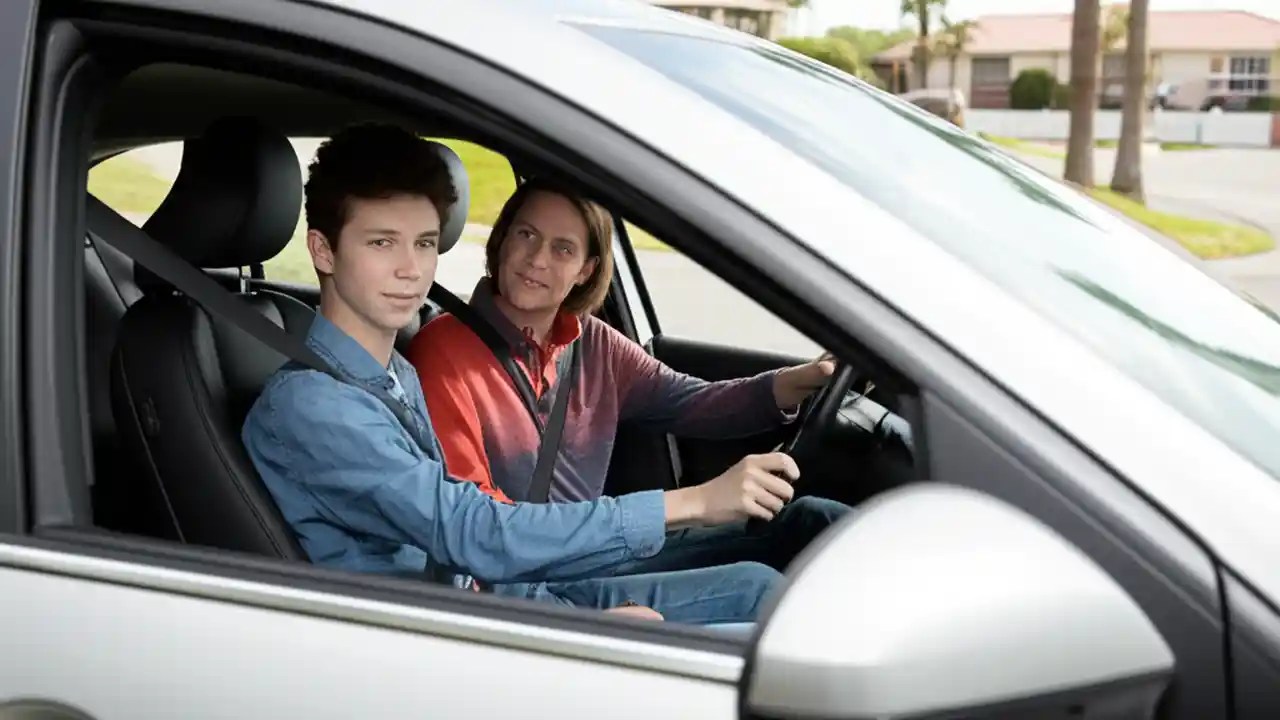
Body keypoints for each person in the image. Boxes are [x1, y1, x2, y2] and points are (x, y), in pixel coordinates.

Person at [241, 124, 795, 625]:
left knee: (766, 584)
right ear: (324, 250)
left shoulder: (392, 375)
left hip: (489, 602)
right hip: (434, 646)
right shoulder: (315, 405)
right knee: (766, 615)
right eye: (382, 242)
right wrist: (692, 503)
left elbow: (464, 551)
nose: (411, 270)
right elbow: (471, 531)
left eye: (426, 244)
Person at [406, 178, 850, 579]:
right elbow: (473, 532)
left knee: (812, 522)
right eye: (526, 235)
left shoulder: (594, 344)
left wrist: (789, 385)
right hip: (524, 580)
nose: (537, 259)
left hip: (601, 555)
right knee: (759, 587)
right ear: (502, 240)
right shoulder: (444, 351)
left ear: (585, 270)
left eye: (563, 249)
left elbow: (689, 402)